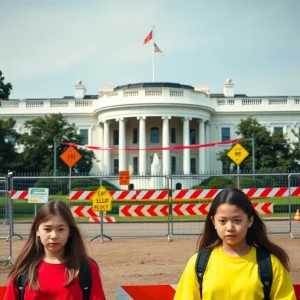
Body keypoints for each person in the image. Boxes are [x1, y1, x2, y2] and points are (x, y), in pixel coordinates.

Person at [174, 188, 296, 300]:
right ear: (213, 221)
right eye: (222, 221)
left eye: (237, 220)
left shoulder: (270, 264)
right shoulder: (198, 264)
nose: (230, 228)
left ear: (250, 220)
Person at [4, 200, 106, 300]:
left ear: (69, 231)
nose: (54, 236)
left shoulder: (86, 268)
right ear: (37, 231)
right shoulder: (23, 269)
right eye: (47, 229)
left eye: (61, 229)